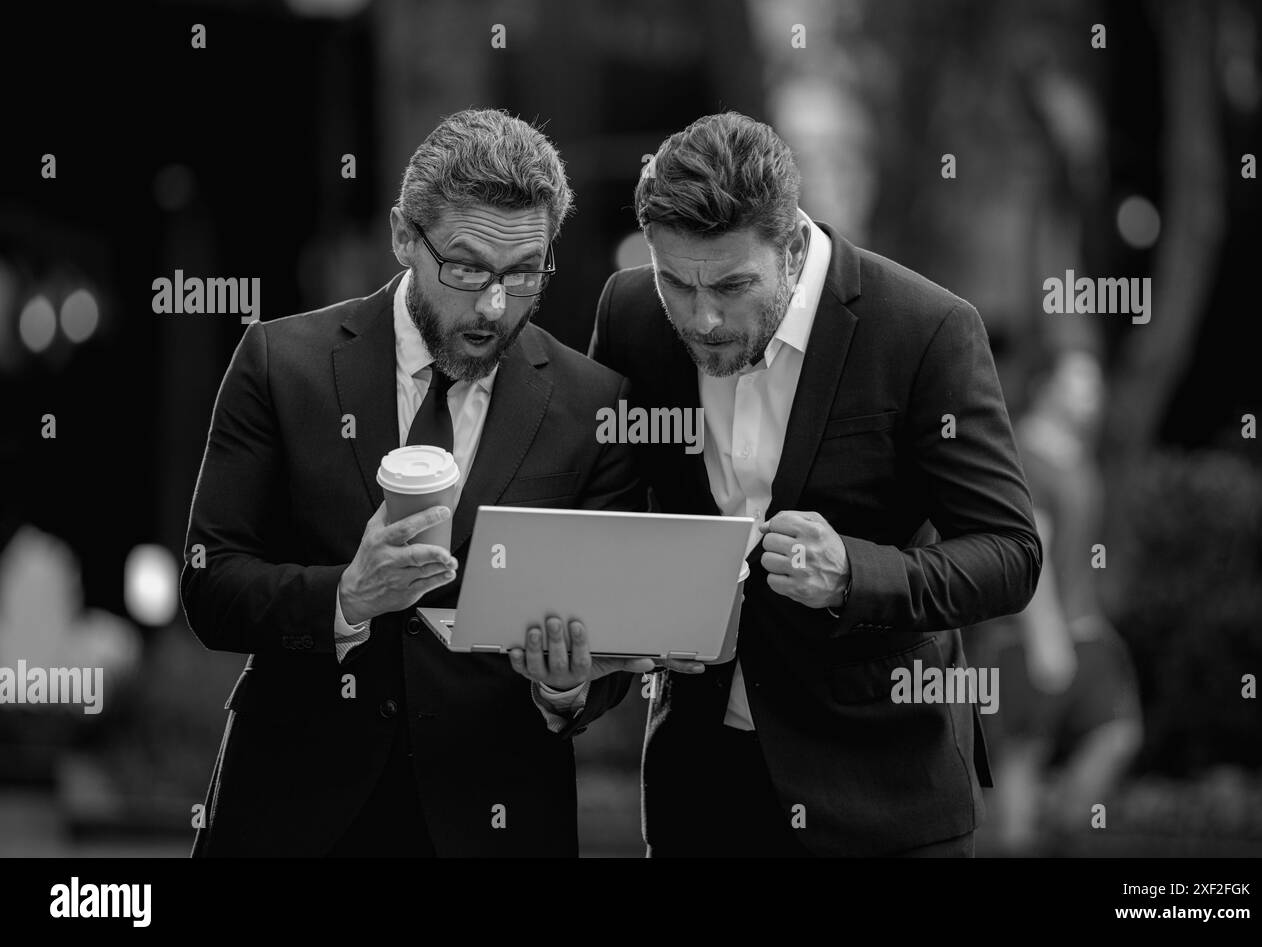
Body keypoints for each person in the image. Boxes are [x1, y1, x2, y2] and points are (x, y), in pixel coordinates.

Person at [181, 109, 660, 857]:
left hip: (498, 816)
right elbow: (210, 587)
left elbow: (606, 649)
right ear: (405, 236)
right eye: (467, 268)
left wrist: (567, 685)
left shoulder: (598, 403)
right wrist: (346, 594)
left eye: (525, 271)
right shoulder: (280, 363)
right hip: (292, 813)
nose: (495, 305)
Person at [589, 112, 1042, 857]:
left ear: (794, 247)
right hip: (698, 791)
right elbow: (602, 512)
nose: (701, 318)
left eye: (733, 285)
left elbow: (1011, 552)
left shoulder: (926, 331)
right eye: (677, 280)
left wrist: (852, 574)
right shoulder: (631, 313)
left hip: (883, 791)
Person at [969, 348, 1143, 855]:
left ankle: (1059, 833)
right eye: (1080, 384)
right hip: (1029, 636)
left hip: (1081, 630)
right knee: (1023, 758)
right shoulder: (1027, 456)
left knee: (1118, 732)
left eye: (1095, 384)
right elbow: (1032, 552)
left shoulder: (1075, 456)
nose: (1094, 395)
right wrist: (1045, 638)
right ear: (1047, 388)